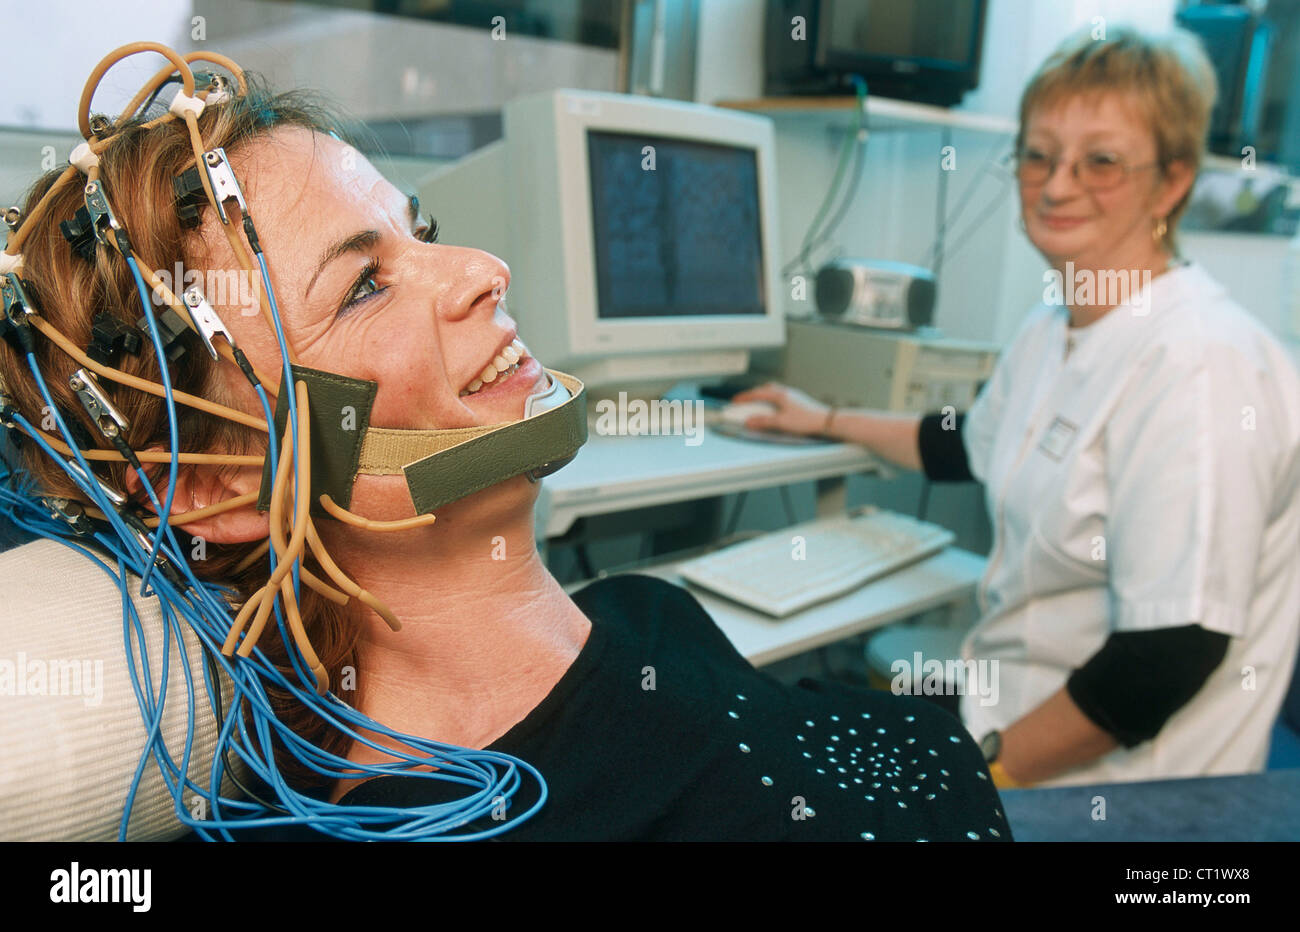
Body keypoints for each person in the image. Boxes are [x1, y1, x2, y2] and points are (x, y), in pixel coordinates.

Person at [0, 44, 1009, 841]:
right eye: (363, 284)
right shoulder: (445, 813)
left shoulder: (635, 612)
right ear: (219, 484)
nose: (482, 268)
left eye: (419, 231)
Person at [736, 26, 1300, 789]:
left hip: (1120, 797)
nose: (1057, 185)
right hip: (1009, 724)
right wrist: (825, 420)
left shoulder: (1199, 364)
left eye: (1100, 160)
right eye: (1038, 155)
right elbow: (965, 445)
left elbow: (1167, 656)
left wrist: (980, 780)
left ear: (1170, 183)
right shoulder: (1052, 330)